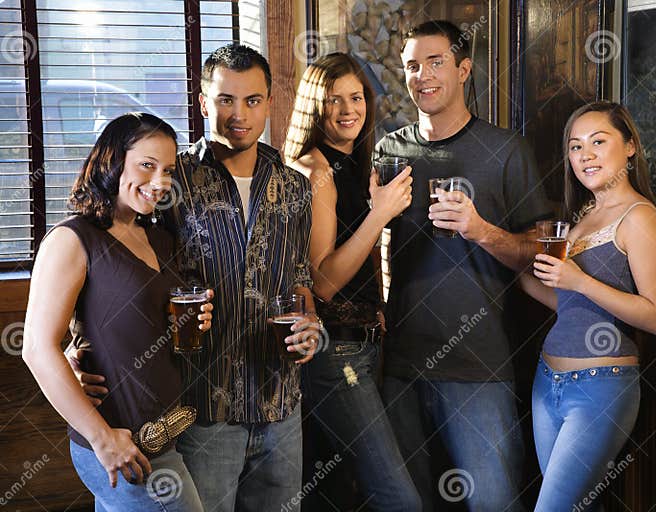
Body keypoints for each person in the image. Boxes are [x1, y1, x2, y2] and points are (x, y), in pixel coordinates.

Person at [69, 44, 321, 511]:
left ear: (270, 102)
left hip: (281, 407)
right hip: (202, 413)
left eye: (252, 100)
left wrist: (310, 326)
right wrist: (73, 349)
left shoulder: (296, 187)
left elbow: (299, 283)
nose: (239, 114)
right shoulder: (168, 179)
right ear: (204, 103)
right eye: (225, 99)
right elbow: (109, 260)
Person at [375, 20, 551, 511]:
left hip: (480, 366)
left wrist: (480, 230)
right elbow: (374, 246)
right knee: (408, 503)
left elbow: (540, 251)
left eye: (436, 62)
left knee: (493, 503)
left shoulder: (506, 150)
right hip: (401, 365)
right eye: (412, 65)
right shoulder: (390, 151)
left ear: (464, 69)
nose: (422, 76)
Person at [23, 112, 214, 511]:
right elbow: (37, 349)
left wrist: (194, 320)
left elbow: (132, 326)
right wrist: (102, 439)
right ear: (112, 160)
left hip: (167, 438)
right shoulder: (71, 239)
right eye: (147, 165)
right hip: (125, 448)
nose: (161, 182)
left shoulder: (159, 237)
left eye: (168, 170)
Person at [519, 101, 656, 510]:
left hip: (600, 387)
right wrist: (513, 269)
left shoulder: (639, 217)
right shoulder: (582, 217)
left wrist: (580, 280)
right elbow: (568, 303)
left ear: (629, 147)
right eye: (574, 147)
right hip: (546, 382)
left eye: (598, 141)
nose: (584, 155)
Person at [284, 52, 420, 511]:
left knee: (343, 491)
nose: (348, 110)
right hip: (333, 348)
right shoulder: (315, 168)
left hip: (365, 342)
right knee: (399, 498)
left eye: (356, 97)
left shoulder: (358, 161)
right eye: (333, 100)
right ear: (313, 108)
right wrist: (380, 214)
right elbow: (322, 280)